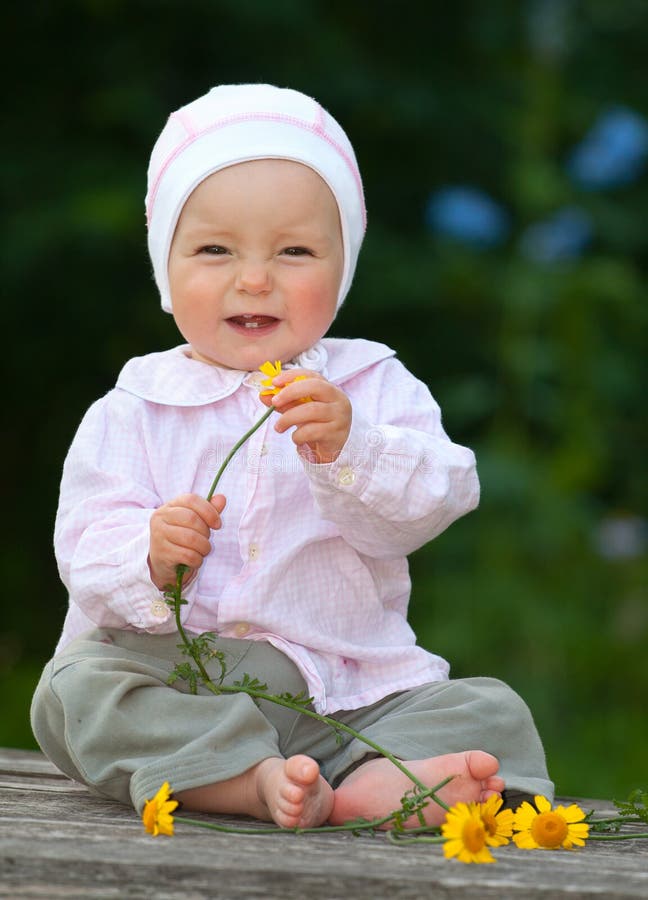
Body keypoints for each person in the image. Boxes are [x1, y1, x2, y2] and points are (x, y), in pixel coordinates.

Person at [31, 83, 553, 830]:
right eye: (214, 249)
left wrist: (352, 447)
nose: (254, 278)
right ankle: (244, 777)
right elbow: (83, 545)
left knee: (492, 711)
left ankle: (370, 780)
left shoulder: (371, 384)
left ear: (342, 268)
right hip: (190, 679)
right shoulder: (134, 407)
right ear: (163, 265)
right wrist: (148, 555)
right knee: (73, 690)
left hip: (350, 687)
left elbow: (437, 495)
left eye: (295, 251)